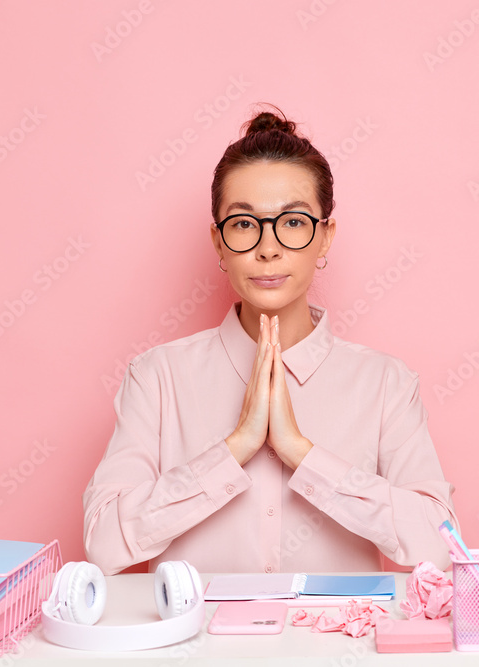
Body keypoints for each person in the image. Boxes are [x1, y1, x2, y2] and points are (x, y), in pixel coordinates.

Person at [82, 105, 459, 575]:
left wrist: (300, 452)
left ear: (325, 238)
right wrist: (235, 447)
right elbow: (103, 544)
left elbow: (440, 546)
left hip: (337, 647)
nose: (268, 247)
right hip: (196, 646)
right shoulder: (158, 377)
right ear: (218, 242)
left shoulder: (385, 383)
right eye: (243, 224)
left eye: (294, 222)